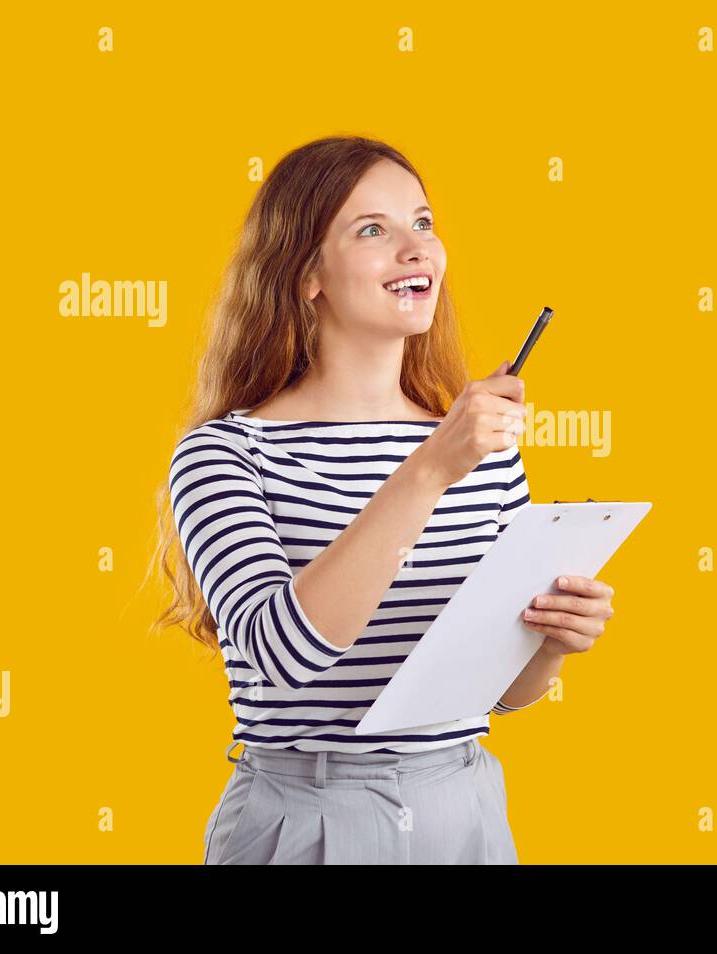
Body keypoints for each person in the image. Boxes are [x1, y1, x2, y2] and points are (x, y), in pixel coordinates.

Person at [145, 136, 616, 864]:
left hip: (467, 813)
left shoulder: (481, 451)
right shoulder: (226, 455)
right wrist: (426, 472)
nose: (416, 249)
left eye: (423, 224)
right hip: (305, 819)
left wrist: (551, 644)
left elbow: (495, 694)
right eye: (374, 230)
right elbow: (284, 653)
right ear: (308, 276)